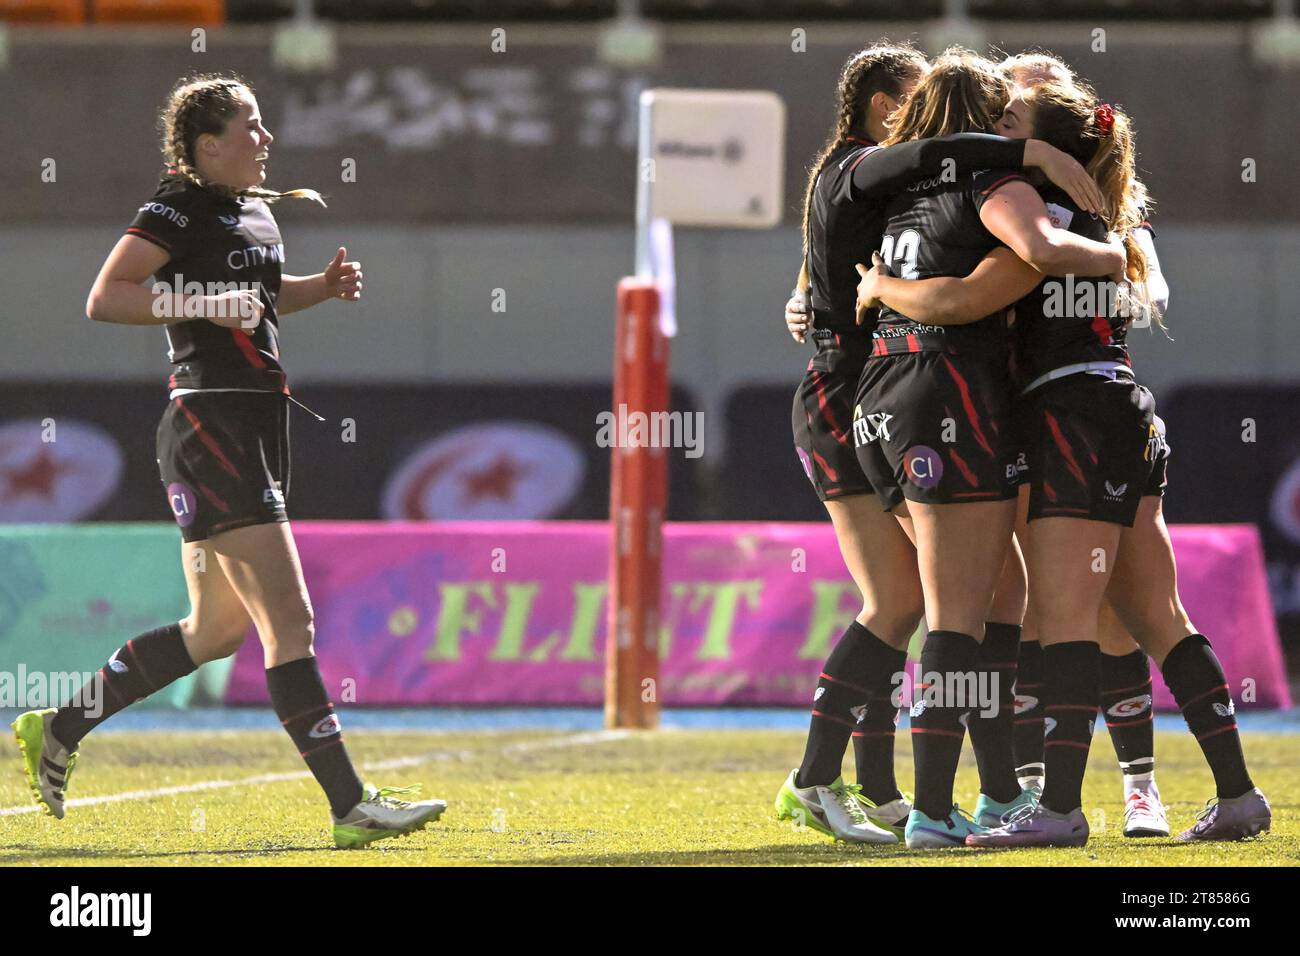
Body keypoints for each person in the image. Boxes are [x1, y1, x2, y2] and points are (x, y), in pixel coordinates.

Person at [11, 74, 447, 850]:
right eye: (250, 125)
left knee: (215, 632)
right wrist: (202, 304)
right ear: (207, 145)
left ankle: (61, 725)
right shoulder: (173, 207)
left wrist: (322, 287)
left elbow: (260, 296)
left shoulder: (255, 211)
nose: (265, 137)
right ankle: (350, 805)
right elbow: (107, 296)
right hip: (210, 423)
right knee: (292, 620)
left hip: (251, 418)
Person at [855, 77, 1270, 845]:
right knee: (1159, 617)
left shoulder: (1037, 216)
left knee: (1069, 623)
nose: (1000, 132)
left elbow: (963, 301)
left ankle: (1059, 810)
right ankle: (1239, 795)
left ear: (1054, 143)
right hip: (1124, 411)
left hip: (1073, 417)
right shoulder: (1099, 219)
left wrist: (880, 286)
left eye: (1015, 120)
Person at [775, 44, 1103, 843]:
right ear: (887, 106)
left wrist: (838, 296)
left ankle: (950, 790)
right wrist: (1090, 221)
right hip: (900, 390)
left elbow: (824, 278)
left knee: (961, 599)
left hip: (873, 390)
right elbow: (985, 279)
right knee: (925, 605)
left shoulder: (892, 190)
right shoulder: (900, 174)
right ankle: (890, 797)